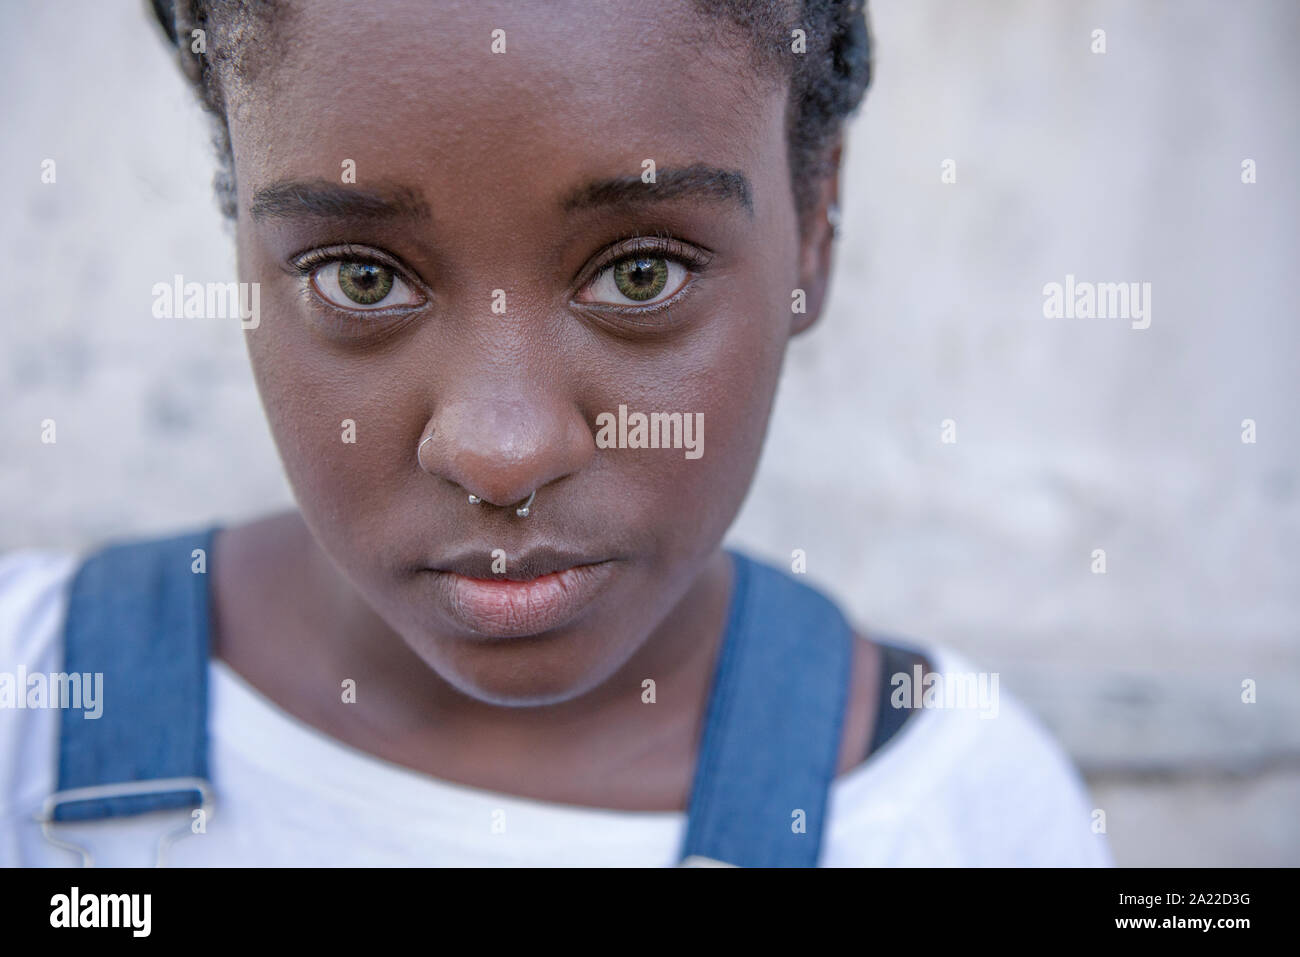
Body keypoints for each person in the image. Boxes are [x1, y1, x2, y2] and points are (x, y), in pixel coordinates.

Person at [0, 0, 1111, 867]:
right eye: (361, 275)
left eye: (640, 273)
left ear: (813, 230)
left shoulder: (954, 815)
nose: (501, 450)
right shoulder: (29, 706)